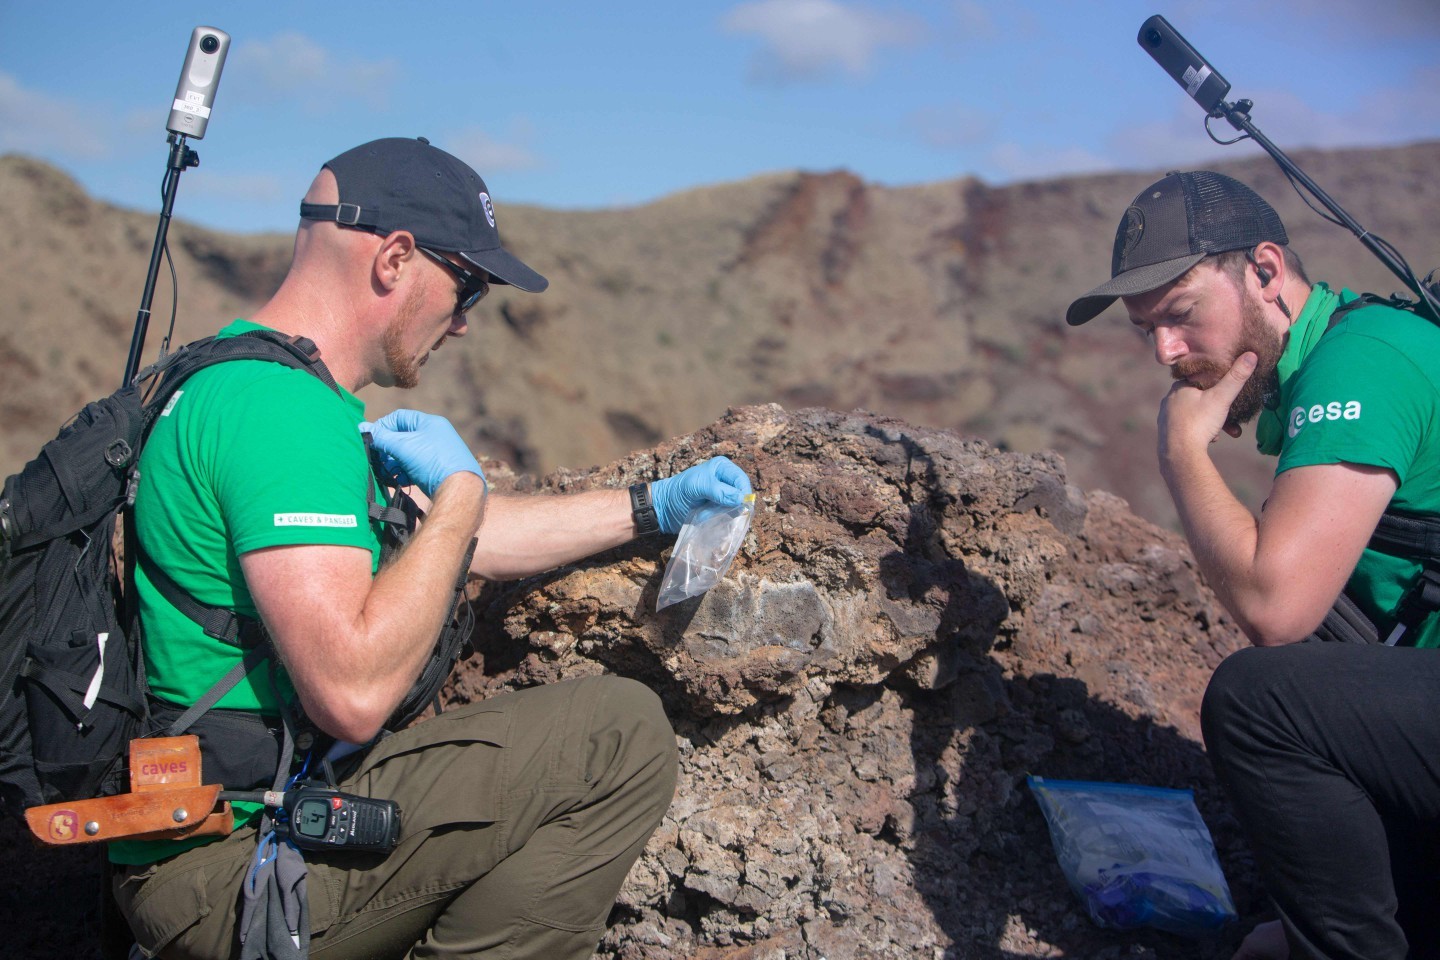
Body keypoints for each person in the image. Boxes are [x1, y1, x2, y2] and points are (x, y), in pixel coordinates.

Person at [112, 136, 754, 960]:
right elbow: (351, 693)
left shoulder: (237, 382)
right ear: (395, 259)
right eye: (468, 288)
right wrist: (458, 495)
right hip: (230, 876)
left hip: (208, 839)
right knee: (618, 736)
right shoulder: (283, 419)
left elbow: (459, 546)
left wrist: (653, 505)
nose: (460, 323)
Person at [1067, 171, 1440, 960]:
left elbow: (1276, 606)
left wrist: (1178, 449)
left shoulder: (1362, 361)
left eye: (1181, 316)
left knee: (1260, 700)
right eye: (1148, 332)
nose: (1167, 353)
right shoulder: (1335, 358)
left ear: (1265, 271)